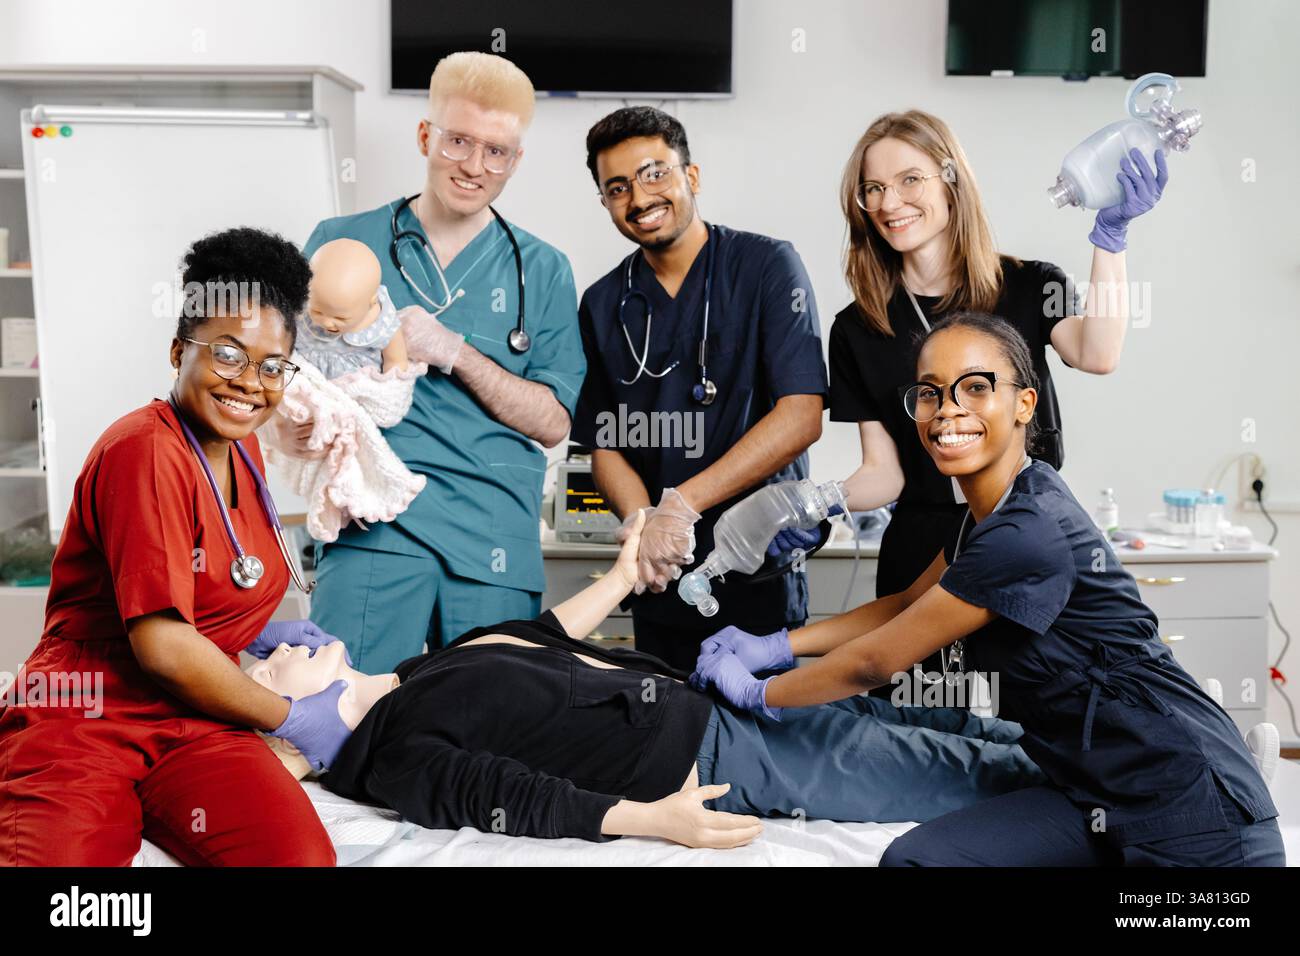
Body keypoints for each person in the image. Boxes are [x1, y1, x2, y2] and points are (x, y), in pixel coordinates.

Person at [692, 313, 1284, 867]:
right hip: (1089, 789)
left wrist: (765, 695)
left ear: (1025, 403)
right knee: (915, 860)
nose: (947, 411)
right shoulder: (988, 516)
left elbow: (875, 663)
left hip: (1191, 807)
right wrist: (775, 645)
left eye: (975, 387)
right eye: (930, 392)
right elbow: (901, 606)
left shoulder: (1029, 531)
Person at [249, 511, 1048, 847]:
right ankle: (1127, 803)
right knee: (959, 775)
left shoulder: (420, 674)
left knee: (960, 726)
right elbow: (519, 801)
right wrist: (652, 822)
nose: (291, 638)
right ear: (283, 730)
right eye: (266, 661)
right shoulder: (396, 753)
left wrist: (626, 572)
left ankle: (1113, 757)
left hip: (709, 703)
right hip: (712, 761)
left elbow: (541, 631)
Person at [0, 228, 353, 866]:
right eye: (228, 354)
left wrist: (255, 633)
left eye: (273, 366)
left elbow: (213, 581)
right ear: (177, 351)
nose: (250, 382)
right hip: (88, 716)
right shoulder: (144, 450)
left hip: (195, 720)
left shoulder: (241, 448)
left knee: (298, 862)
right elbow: (163, 644)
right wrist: (288, 716)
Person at [780, 110, 1165, 691]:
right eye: (874, 189)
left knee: (1025, 712)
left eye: (910, 180)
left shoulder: (1030, 284)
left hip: (1014, 533)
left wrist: (1110, 238)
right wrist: (814, 504)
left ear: (950, 180)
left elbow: (1098, 351)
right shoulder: (857, 327)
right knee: (914, 732)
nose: (890, 203)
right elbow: (884, 476)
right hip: (919, 545)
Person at [279, 52, 586, 673]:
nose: (474, 166)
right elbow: (286, 373)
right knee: (343, 724)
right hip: (377, 528)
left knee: (490, 736)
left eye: (496, 151)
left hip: (493, 535)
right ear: (426, 136)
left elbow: (554, 423)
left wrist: (455, 351)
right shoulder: (343, 242)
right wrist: (297, 426)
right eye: (458, 142)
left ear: (515, 160)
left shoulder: (542, 270)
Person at [571, 106, 828, 669]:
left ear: (692, 176)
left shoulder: (766, 267)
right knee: (665, 740)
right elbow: (605, 444)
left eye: (654, 173)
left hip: (759, 573)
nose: (639, 199)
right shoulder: (601, 303)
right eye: (617, 188)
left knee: (755, 744)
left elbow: (801, 414)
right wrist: (644, 526)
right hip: (659, 580)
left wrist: (682, 506)